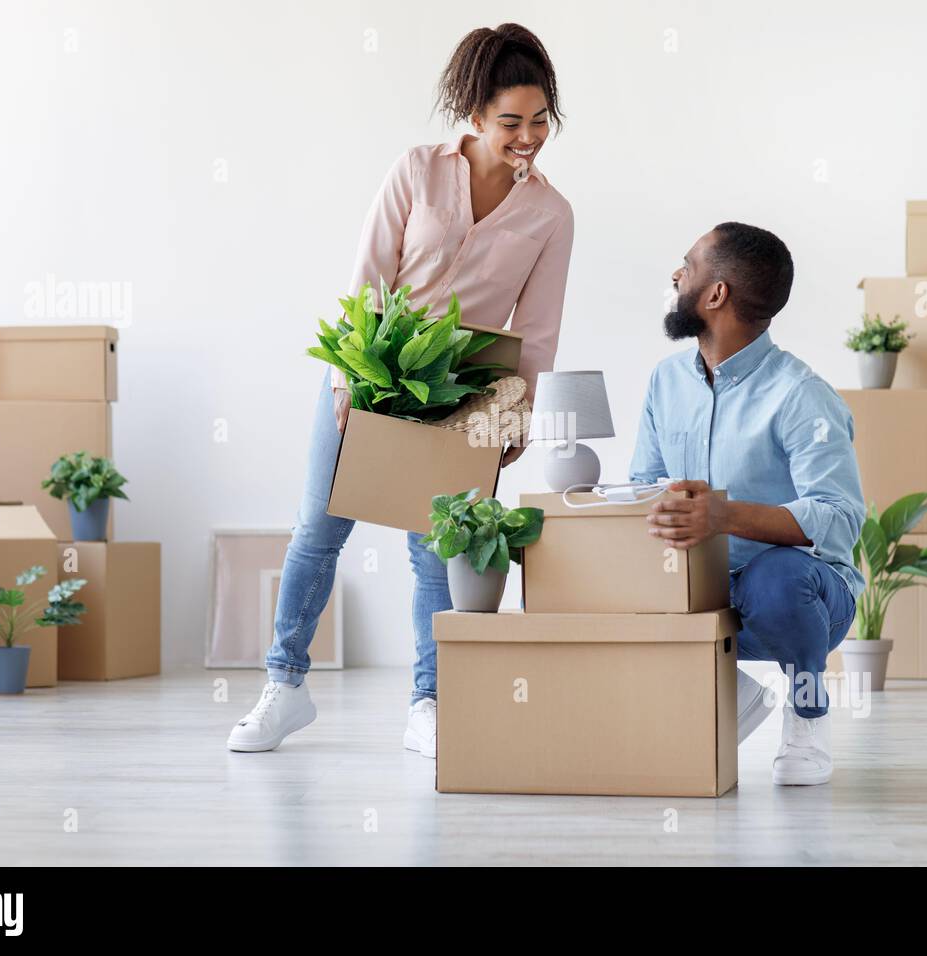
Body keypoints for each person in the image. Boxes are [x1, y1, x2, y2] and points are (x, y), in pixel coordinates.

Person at [228, 24, 575, 755]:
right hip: (374, 372)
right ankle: (284, 687)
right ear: (474, 115)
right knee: (318, 532)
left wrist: (515, 419)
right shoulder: (418, 171)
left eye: (539, 121)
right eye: (510, 122)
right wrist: (347, 380)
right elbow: (367, 281)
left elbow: (536, 333)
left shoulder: (551, 214)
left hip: (464, 392)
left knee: (433, 551)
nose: (527, 137)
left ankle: (429, 704)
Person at [630, 222, 865, 786]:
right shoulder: (666, 383)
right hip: (699, 590)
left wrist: (724, 515)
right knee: (617, 557)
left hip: (802, 600)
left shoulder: (800, 395)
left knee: (778, 578)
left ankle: (806, 715)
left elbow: (839, 519)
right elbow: (643, 486)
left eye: (687, 264)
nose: (676, 273)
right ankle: (732, 690)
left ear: (715, 295)